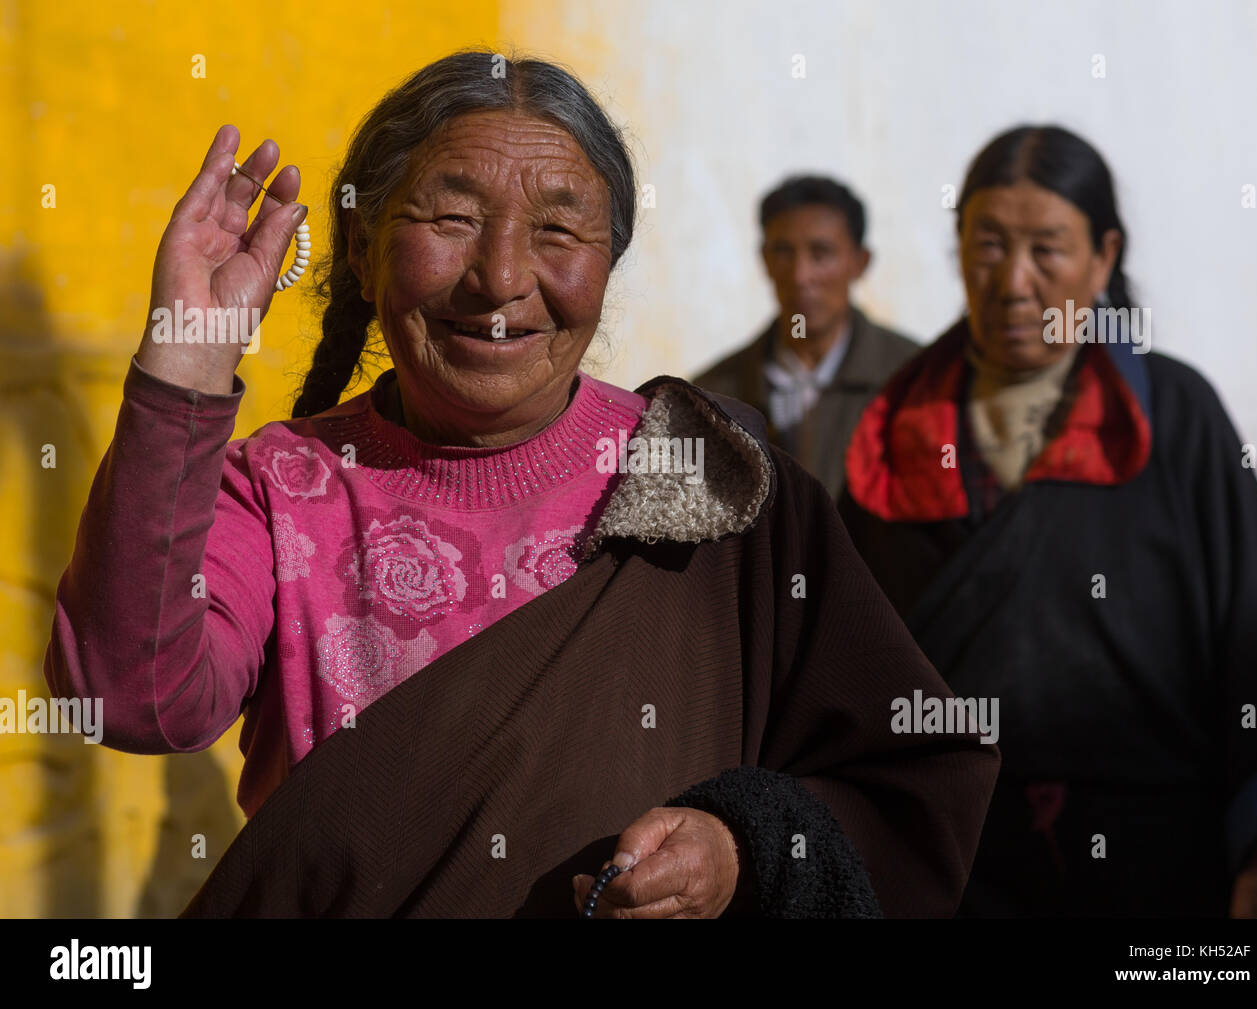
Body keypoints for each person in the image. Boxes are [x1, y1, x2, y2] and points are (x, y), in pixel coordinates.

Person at [43, 51, 998, 918]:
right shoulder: (284, 485)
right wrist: (190, 352)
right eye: (451, 217)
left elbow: (910, 779)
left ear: (609, 261)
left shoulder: (710, 482)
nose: (500, 277)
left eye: (558, 229)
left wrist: (741, 845)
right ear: (368, 248)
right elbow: (133, 699)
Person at [839, 124, 1257, 917]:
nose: (1014, 282)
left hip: (1163, 871)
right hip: (953, 869)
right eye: (987, 246)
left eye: (1046, 248)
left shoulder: (1173, 415)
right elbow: (838, 661)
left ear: (1103, 256)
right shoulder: (898, 426)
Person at [693, 176, 917, 501]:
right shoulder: (712, 396)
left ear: (859, 262)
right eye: (784, 252)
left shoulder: (914, 380)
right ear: (765, 261)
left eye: (821, 253)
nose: (801, 276)